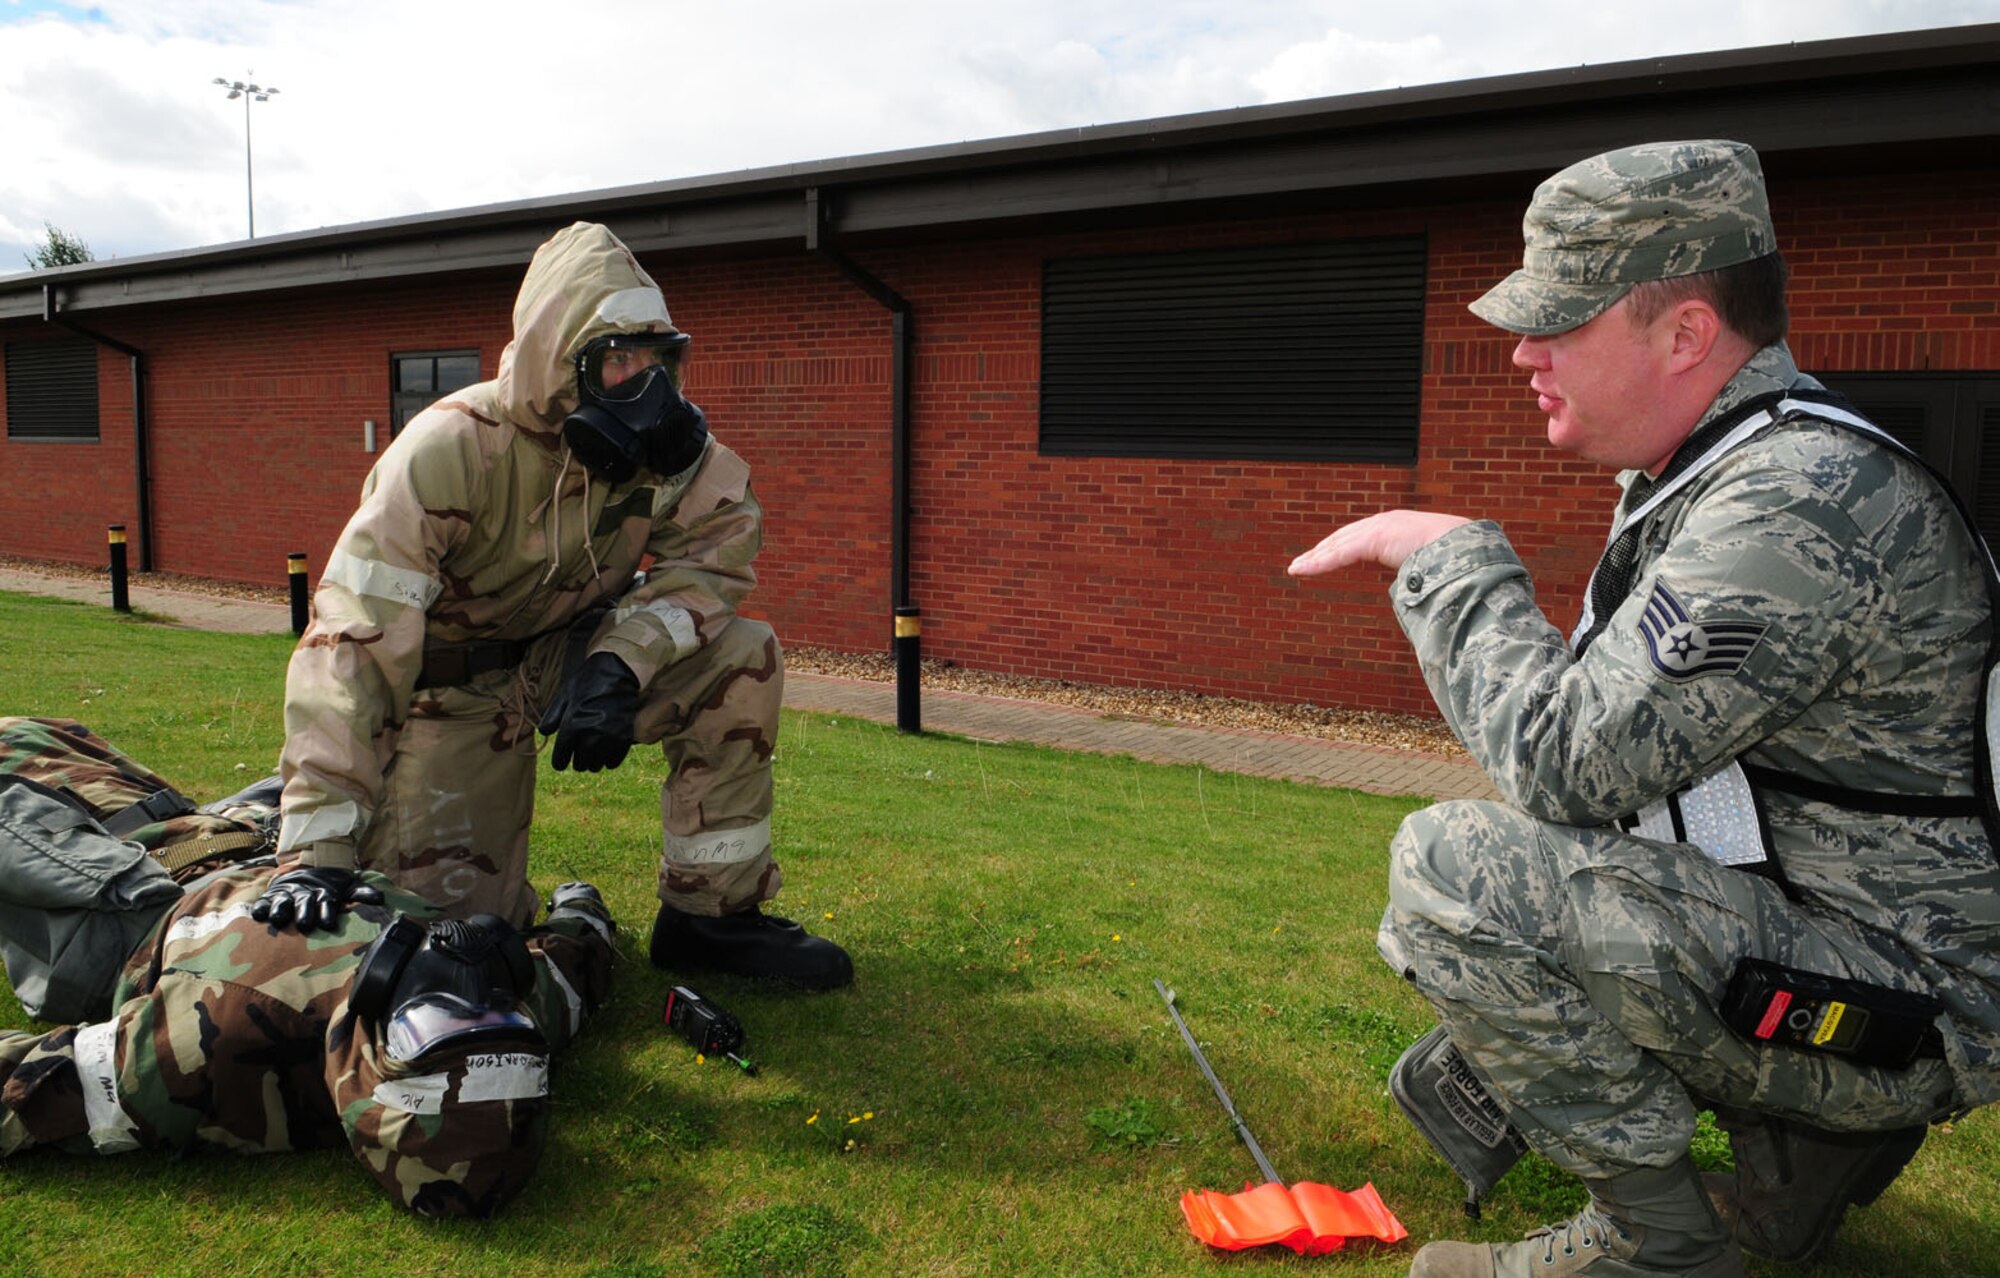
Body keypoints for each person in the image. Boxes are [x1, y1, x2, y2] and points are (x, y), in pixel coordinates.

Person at [1289, 140, 2000, 1277]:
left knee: (1457, 870)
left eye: (1559, 320)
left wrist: (1446, 561)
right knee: (1550, 864)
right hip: (1857, 951)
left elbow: (1562, 755)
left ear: (1682, 335)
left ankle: (1656, 1250)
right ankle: (1797, 1169)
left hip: (1903, 1002)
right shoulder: (1727, 471)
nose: (1522, 353)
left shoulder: (1796, 505)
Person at [266, 220, 851, 990]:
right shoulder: (452, 449)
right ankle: (297, 824)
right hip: (447, 689)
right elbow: (353, 643)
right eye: (617, 361)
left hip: (567, 655)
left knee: (742, 653)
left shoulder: (656, 450)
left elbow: (718, 549)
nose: (643, 384)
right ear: (560, 356)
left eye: (658, 360)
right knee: (462, 942)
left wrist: (621, 661)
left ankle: (713, 918)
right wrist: (317, 849)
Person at [0, 861, 616, 1218]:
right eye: (496, 1017)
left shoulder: (196, 1052)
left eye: (434, 1023)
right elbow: (580, 944)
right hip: (268, 829)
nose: (467, 975)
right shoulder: (519, 1009)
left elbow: (28, 1085)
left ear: (373, 1087)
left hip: (136, 889)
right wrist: (579, 899)